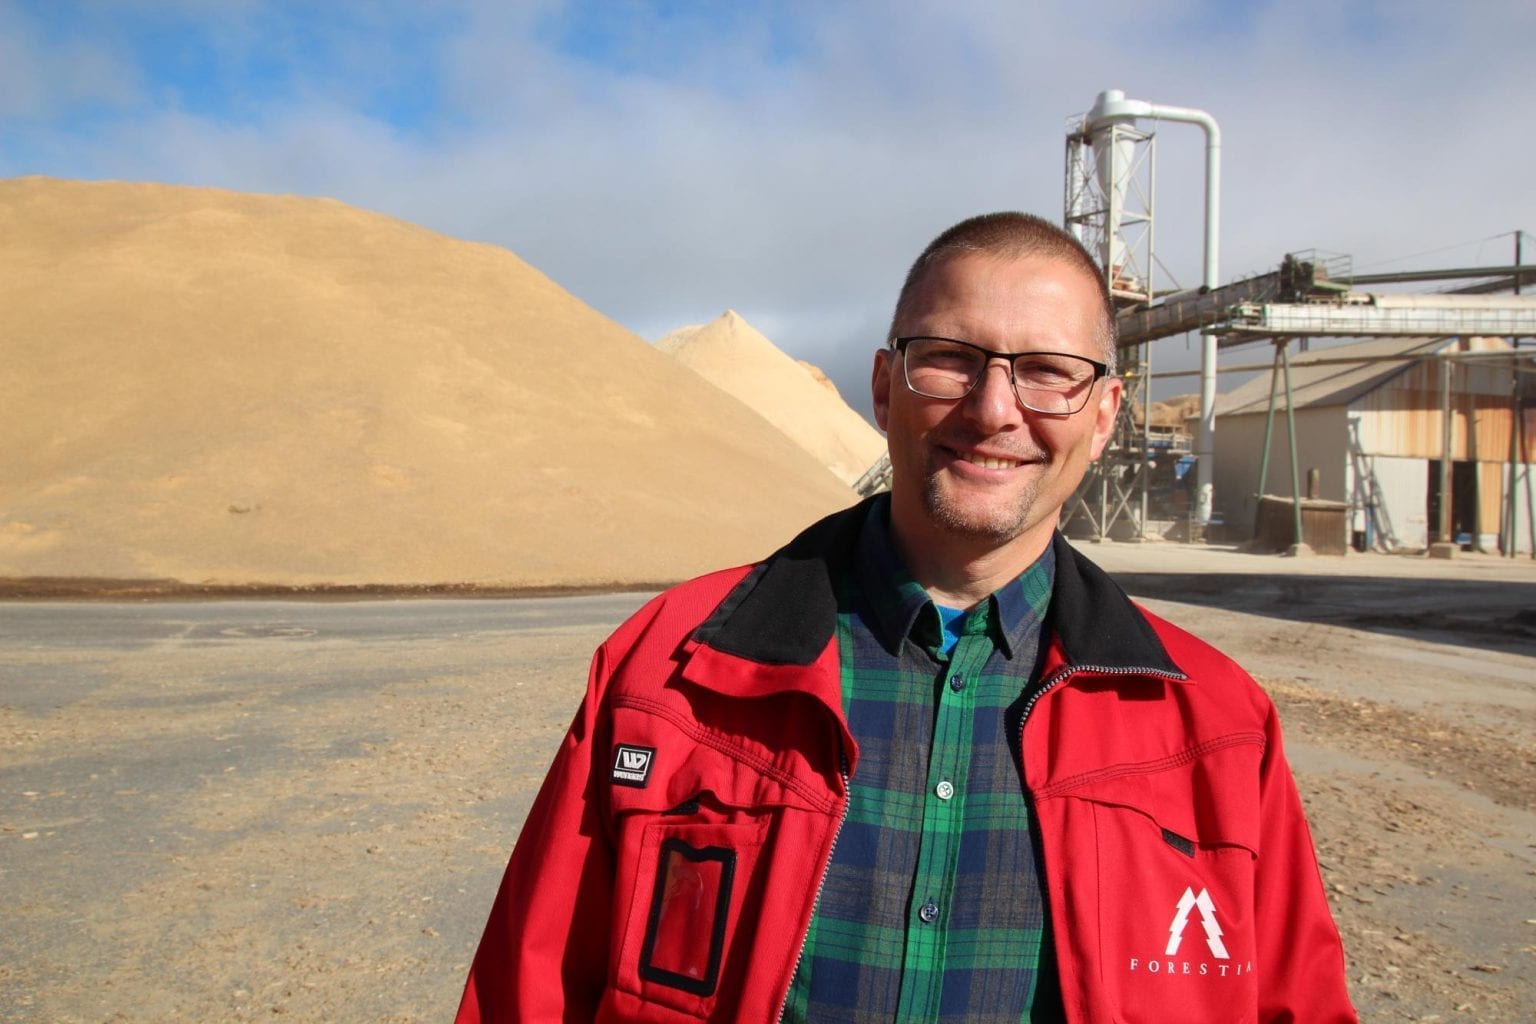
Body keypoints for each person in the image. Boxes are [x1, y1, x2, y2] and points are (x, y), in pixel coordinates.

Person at [454, 212, 1357, 1023]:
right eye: (951, 360)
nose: (994, 409)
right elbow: (527, 992)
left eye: (1048, 372)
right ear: (885, 386)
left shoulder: (1220, 727)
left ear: (1105, 414)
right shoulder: (666, 670)